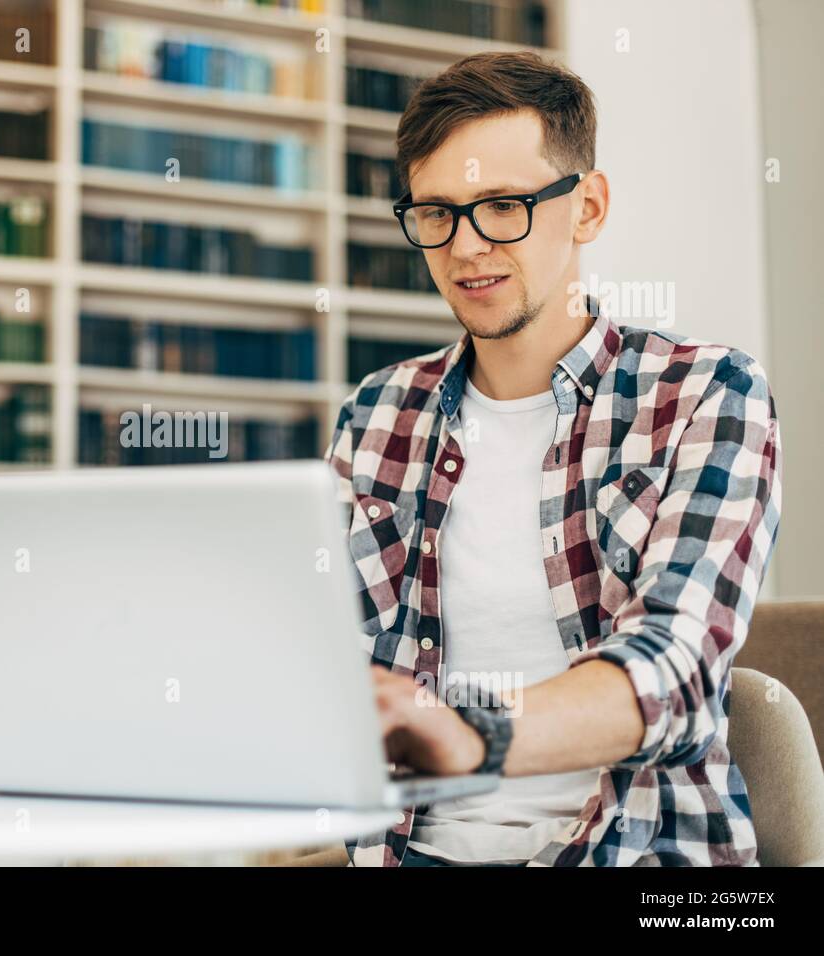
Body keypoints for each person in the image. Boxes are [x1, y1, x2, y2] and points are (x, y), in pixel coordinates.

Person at [327, 52, 782, 866]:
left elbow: (674, 668)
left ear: (587, 208)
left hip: (628, 852)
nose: (466, 246)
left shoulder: (705, 393)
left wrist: (469, 733)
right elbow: (319, 653)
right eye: (436, 213)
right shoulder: (377, 412)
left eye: (503, 206)